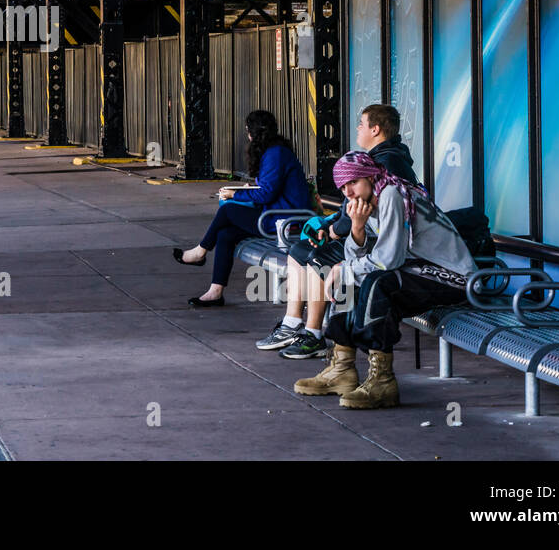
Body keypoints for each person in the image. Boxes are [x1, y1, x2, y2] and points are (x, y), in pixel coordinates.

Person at [292, 151, 477, 409]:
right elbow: (366, 257)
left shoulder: (391, 194)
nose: (348, 192)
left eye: (353, 182)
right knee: (351, 279)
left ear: (370, 176)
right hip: (417, 269)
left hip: (455, 278)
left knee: (377, 282)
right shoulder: (370, 201)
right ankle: (342, 367)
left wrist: (344, 268)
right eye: (343, 187)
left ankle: (383, 381)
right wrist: (356, 229)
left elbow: (388, 260)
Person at [257, 104, 418, 359]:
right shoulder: (385, 155)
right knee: (300, 250)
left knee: (318, 258)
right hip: (366, 235)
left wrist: (333, 231)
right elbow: (350, 208)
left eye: (362, 124)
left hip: (379, 244)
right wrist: (330, 226)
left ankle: (314, 334)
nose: (358, 128)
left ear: (375, 130)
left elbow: (359, 211)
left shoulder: (386, 161)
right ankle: (292, 323)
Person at [172, 109, 311, 307]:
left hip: (285, 220)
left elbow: (267, 194)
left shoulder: (275, 154)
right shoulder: (276, 151)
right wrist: (249, 189)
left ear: (252, 132)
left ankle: (200, 252)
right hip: (277, 214)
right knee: (225, 235)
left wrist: (235, 194)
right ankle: (215, 292)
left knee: (228, 210)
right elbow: (270, 188)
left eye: (247, 130)